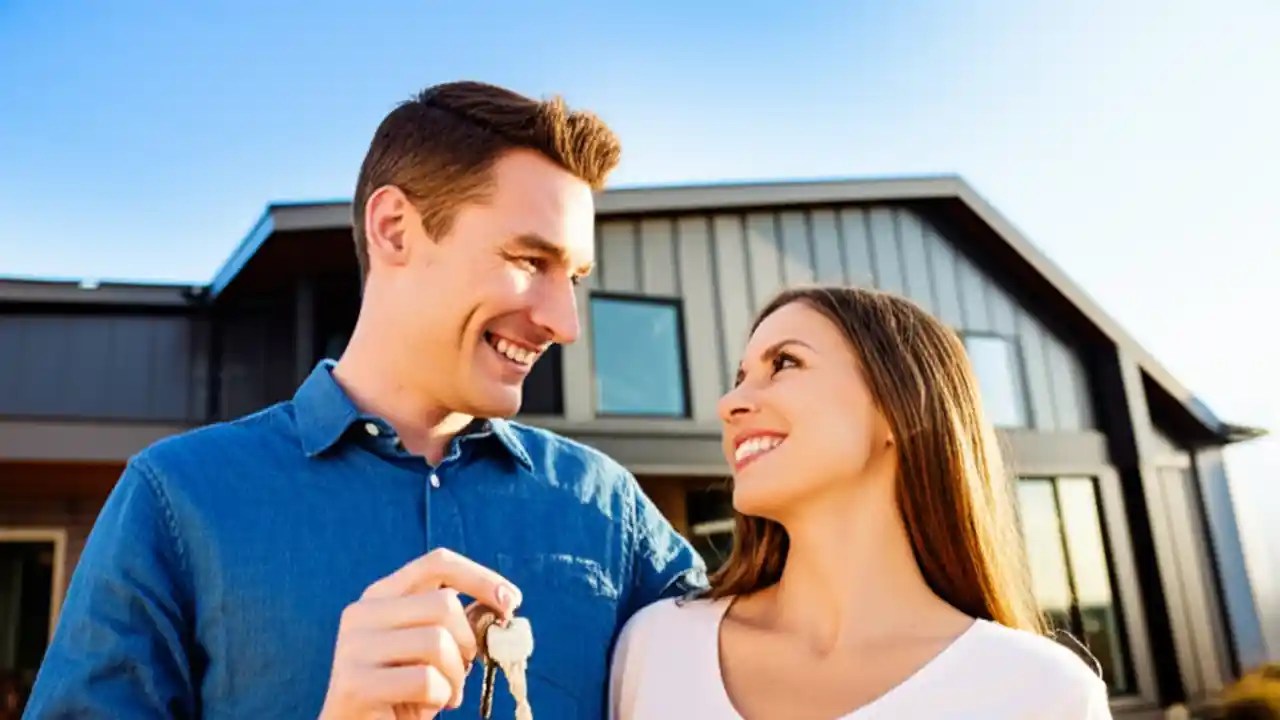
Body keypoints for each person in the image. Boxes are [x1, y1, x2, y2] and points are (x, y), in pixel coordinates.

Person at [24, 80, 705, 719]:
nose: (566, 323)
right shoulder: (175, 500)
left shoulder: (611, 512)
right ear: (395, 229)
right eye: (530, 261)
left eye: (575, 277)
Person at [609, 285, 1112, 719]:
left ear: (899, 408)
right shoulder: (657, 647)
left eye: (784, 363)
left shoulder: (1044, 693)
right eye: (740, 378)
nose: (729, 404)